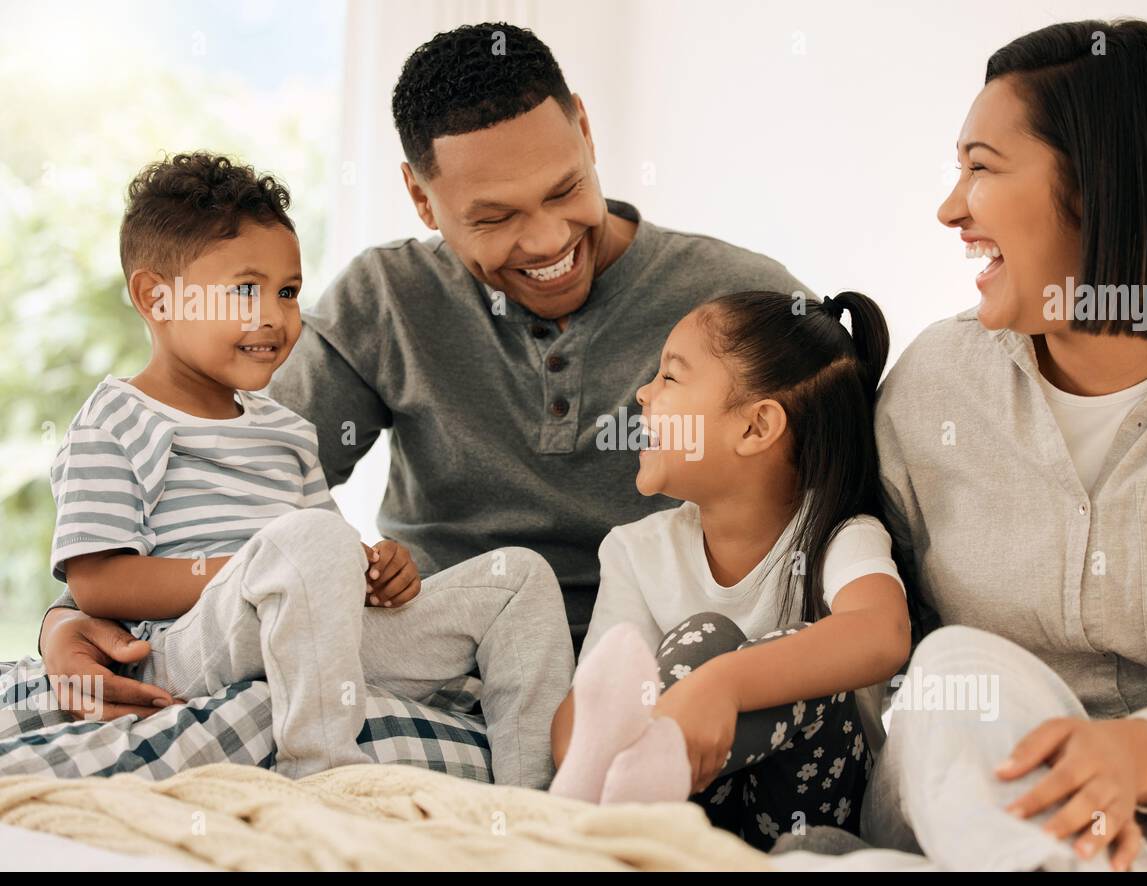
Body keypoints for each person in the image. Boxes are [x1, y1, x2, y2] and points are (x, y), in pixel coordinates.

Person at [38, 22, 810, 729]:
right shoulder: (387, 300)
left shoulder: (741, 301)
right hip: (442, 681)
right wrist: (67, 621)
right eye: (493, 217)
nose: (547, 239)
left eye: (565, 189)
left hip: (664, 681)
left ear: (584, 126)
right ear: (420, 197)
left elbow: (843, 517)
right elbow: (243, 494)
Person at [842, 19, 1147, 870]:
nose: (951, 208)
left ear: (1101, 187)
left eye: (980, 167)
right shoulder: (933, 383)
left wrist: (1133, 758)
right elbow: (880, 652)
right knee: (952, 673)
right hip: (983, 773)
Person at [48, 153, 572, 785]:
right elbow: (99, 584)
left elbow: (332, 554)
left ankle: (536, 803)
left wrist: (381, 567)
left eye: (289, 291)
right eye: (245, 290)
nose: (274, 316)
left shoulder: (287, 429)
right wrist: (247, 574)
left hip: (315, 634)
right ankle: (324, 769)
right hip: (187, 646)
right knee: (305, 546)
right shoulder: (116, 419)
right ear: (155, 298)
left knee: (517, 578)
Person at [549, 291, 910, 850]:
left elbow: (882, 633)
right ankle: (603, 811)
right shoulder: (636, 551)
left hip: (812, 816)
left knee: (756, 650)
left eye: (669, 378)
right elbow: (590, 709)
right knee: (703, 638)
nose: (644, 394)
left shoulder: (838, 536)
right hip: (684, 814)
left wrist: (722, 686)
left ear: (754, 427)